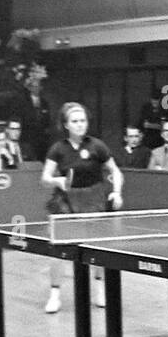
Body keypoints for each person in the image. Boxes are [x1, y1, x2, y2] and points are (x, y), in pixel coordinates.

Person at [41, 102, 123, 314]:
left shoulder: (97, 146)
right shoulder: (58, 149)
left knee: (98, 250)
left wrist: (116, 191)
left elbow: (115, 171)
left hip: (94, 199)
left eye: (83, 121)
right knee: (58, 251)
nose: (80, 125)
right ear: (66, 125)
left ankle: (101, 290)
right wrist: (58, 181)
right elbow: (45, 178)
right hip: (66, 202)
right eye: (75, 121)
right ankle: (55, 295)